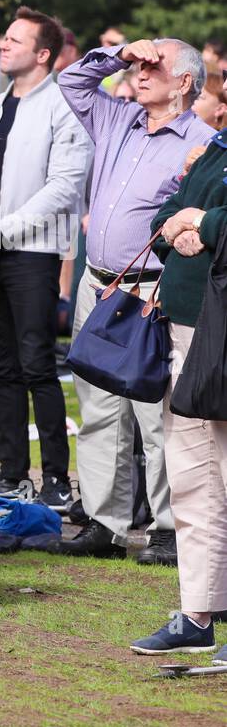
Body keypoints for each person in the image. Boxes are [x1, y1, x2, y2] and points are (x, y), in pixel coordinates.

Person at [55, 37, 213, 563]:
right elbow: (72, 81)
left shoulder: (203, 143)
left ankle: (169, 526)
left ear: (185, 82)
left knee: (156, 410)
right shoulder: (117, 117)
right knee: (98, 406)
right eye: (138, 66)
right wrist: (119, 52)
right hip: (98, 283)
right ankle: (106, 523)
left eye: (154, 65)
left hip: (154, 288)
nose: (141, 72)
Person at [0, 8, 91, 510]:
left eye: (14, 39)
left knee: (38, 364)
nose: (3, 44)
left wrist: (4, 230)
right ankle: (11, 473)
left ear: (43, 54)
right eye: (4, 37)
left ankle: (57, 480)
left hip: (34, 252)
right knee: (0, 367)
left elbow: (64, 188)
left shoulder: (65, 106)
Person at [127, 138, 227, 661]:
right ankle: (198, 614)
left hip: (222, 331)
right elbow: (165, 213)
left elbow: (203, 217)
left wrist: (202, 222)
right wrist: (179, 224)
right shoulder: (215, 145)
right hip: (183, 326)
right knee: (190, 477)